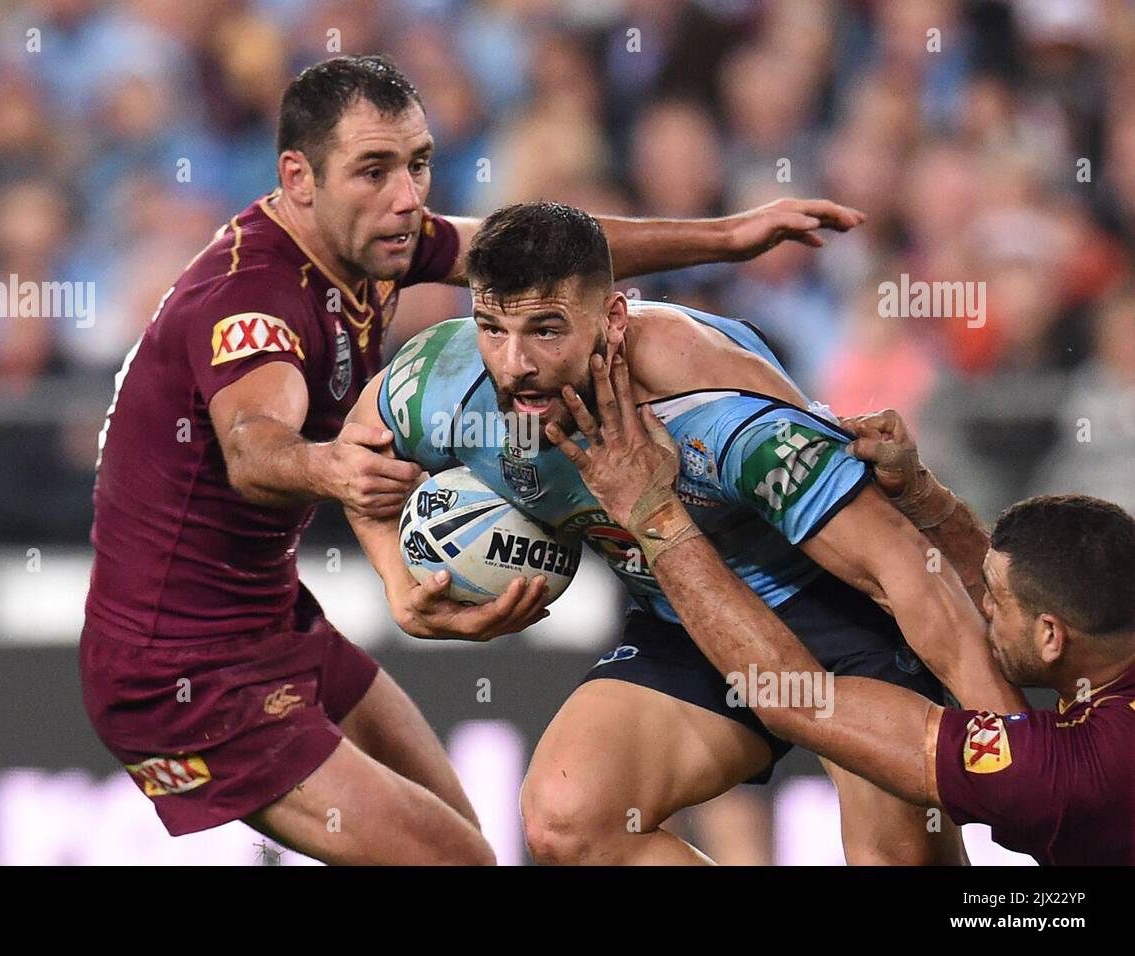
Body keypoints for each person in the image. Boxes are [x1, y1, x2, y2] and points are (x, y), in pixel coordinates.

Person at [79, 55, 864, 865]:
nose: (408, 196)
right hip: (176, 669)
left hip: (274, 622)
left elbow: (546, 259)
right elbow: (252, 445)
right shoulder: (253, 296)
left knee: (464, 847)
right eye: (375, 170)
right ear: (297, 177)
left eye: (418, 164)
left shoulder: (368, 238)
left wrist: (727, 238)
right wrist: (332, 468)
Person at [346, 201, 1014, 865]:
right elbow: (359, 451)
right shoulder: (443, 383)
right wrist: (396, 582)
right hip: (686, 610)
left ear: (611, 318)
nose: (514, 363)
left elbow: (902, 571)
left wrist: (1026, 762)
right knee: (568, 820)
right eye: (492, 327)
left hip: (834, 612)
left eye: (546, 330)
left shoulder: (712, 399)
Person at [547, 354, 1135, 865]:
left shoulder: (1061, 773)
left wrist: (657, 516)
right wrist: (923, 495)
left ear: (1053, 637)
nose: (975, 608)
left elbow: (798, 703)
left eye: (994, 605)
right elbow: (1032, 590)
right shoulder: (1100, 673)